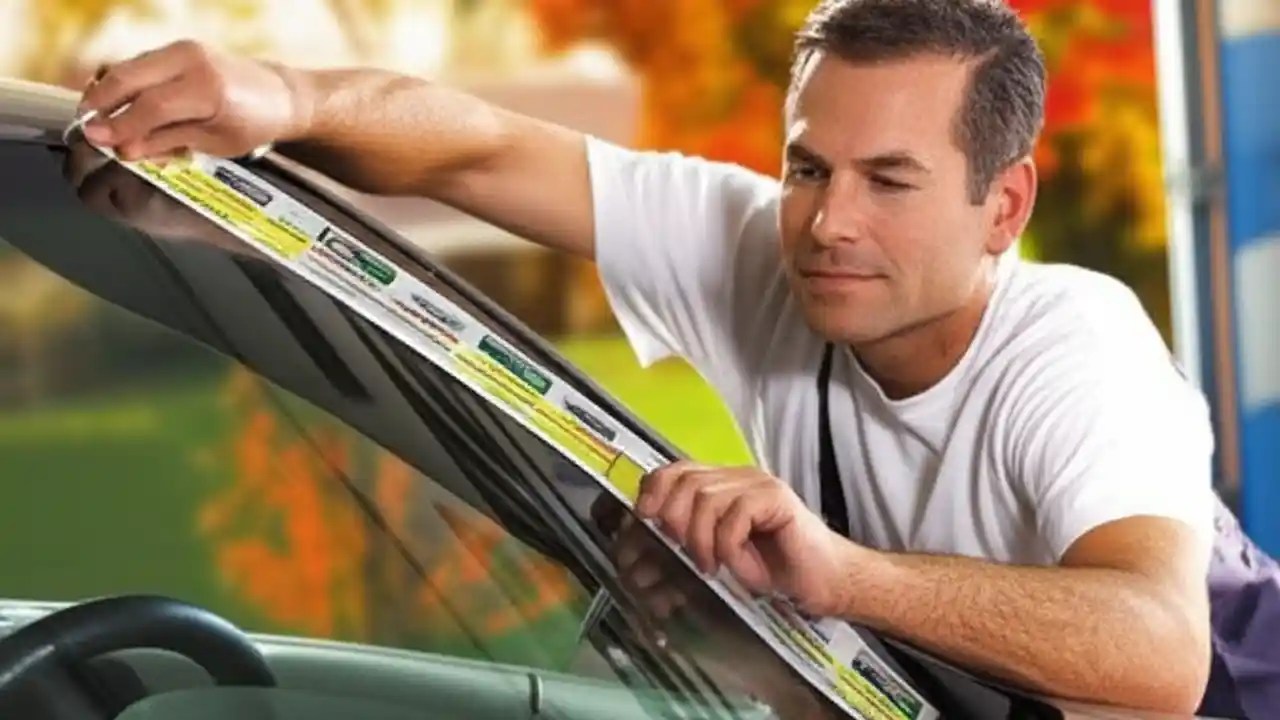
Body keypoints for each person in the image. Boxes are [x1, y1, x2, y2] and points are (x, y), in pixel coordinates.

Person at [73, 0, 1275, 716]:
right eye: (809, 166)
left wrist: (837, 575)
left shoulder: (1074, 347)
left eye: (889, 181)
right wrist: (280, 92)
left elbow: (1157, 657)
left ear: (1002, 206)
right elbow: (477, 153)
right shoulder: (757, 243)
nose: (826, 220)